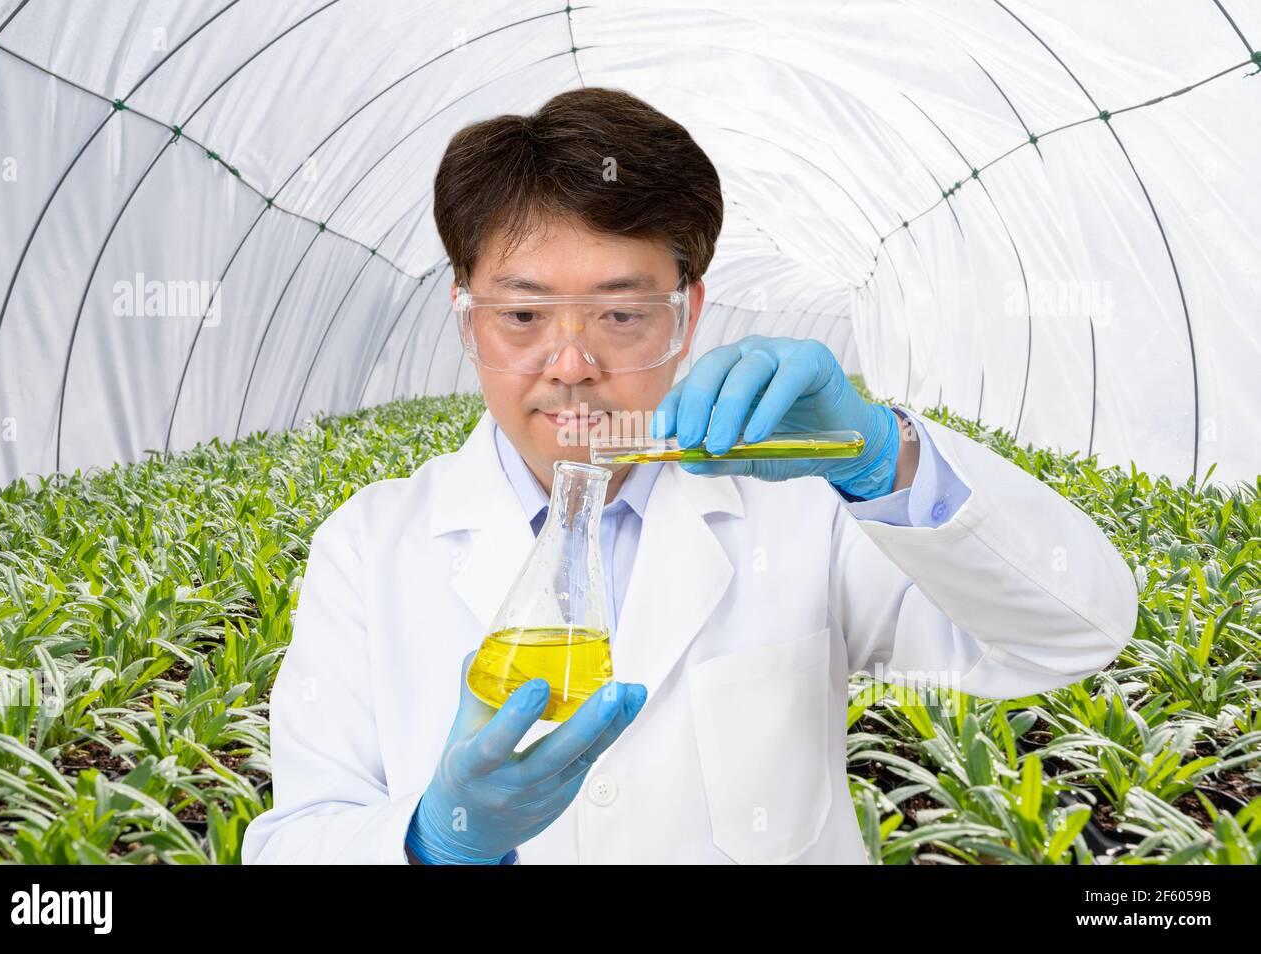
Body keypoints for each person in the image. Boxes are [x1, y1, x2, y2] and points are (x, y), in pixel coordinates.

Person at [241, 87, 1137, 865]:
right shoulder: (371, 545)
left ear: (688, 312)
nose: (571, 362)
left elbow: (1070, 631)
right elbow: (299, 835)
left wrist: (883, 456)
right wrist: (436, 843)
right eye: (520, 313)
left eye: (623, 313)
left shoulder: (802, 513)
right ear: (465, 316)